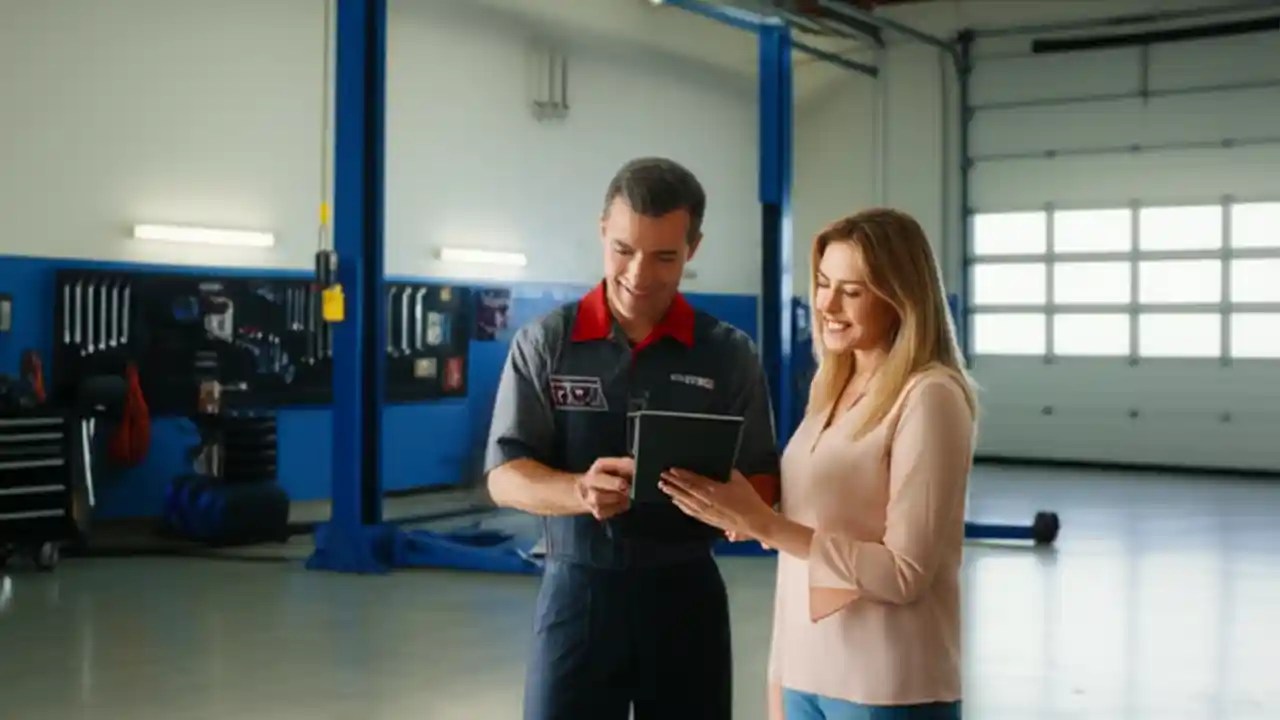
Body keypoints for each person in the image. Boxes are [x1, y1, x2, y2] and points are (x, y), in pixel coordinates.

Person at [484, 156, 782, 720]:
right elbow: (504, 474)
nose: (639, 274)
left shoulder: (728, 354)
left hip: (686, 596)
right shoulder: (546, 343)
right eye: (623, 249)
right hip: (577, 594)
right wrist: (579, 492)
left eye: (665, 256)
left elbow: (763, 478)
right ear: (602, 231)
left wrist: (740, 510)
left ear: (693, 248)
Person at [660, 208, 978, 720]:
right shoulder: (833, 387)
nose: (826, 304)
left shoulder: (929, 396)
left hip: (886, 685)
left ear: (902, 298)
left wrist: (765, 523)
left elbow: (905, 573)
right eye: (824, 283)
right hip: (807, 670)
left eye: (852, 291)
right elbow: (804, 541)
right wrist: (781, 677)